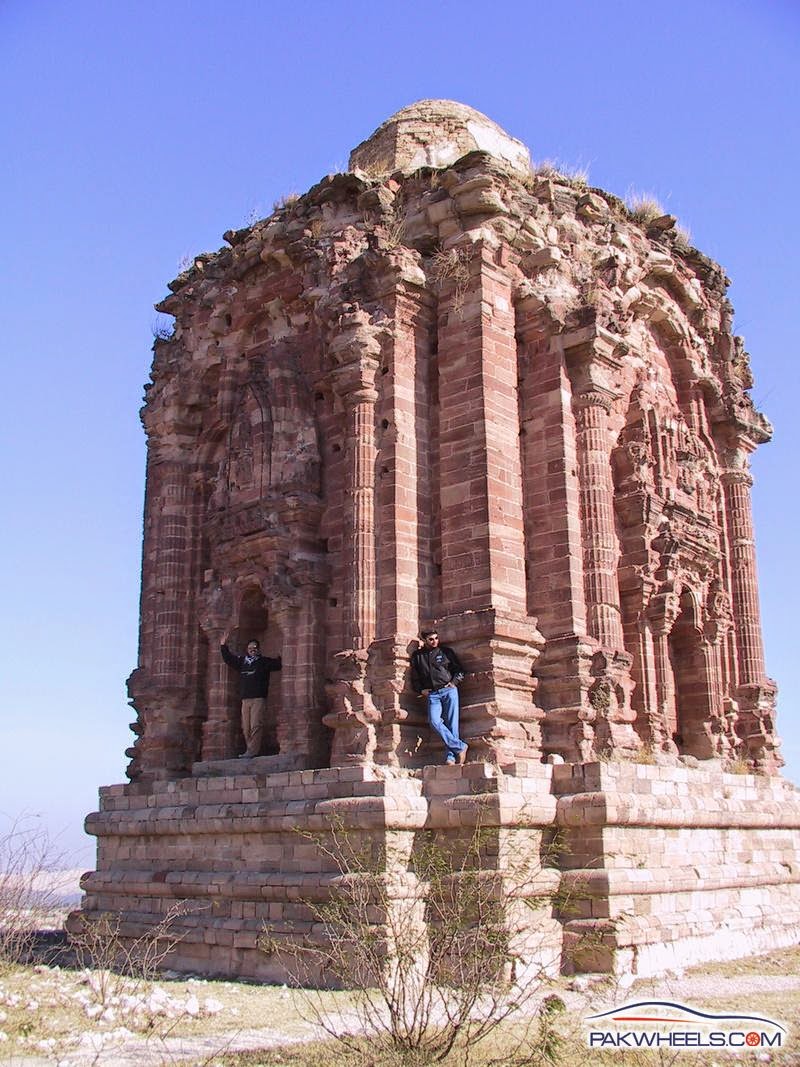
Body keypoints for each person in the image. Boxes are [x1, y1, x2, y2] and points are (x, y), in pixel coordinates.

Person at [410, 629, 468, 765]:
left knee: (452, 723)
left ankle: (451, 757)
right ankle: (460, 746)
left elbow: (459, 670)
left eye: (436, 638)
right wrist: (421, 690)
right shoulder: (418, 656)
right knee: (434, 721)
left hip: (449, 691)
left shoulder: (446, 652)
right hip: (433, 694)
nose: (434, 641)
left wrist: (454, 682)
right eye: (431, 639)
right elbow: (415, 677)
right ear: (424, 640)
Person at [221, 639, 282, 758]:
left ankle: (253, 751)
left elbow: (278, 665)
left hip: (258, 699)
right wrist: (223, 645)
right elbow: (229, 659)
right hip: (245, 699)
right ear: (247, 650)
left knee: (256, 725)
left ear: (258, 649)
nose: (252, 650)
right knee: (246, 727)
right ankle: (249, 749)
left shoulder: (264, 661)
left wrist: (282, 653)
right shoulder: (242, 661)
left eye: (254, 647)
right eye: (250, 648)